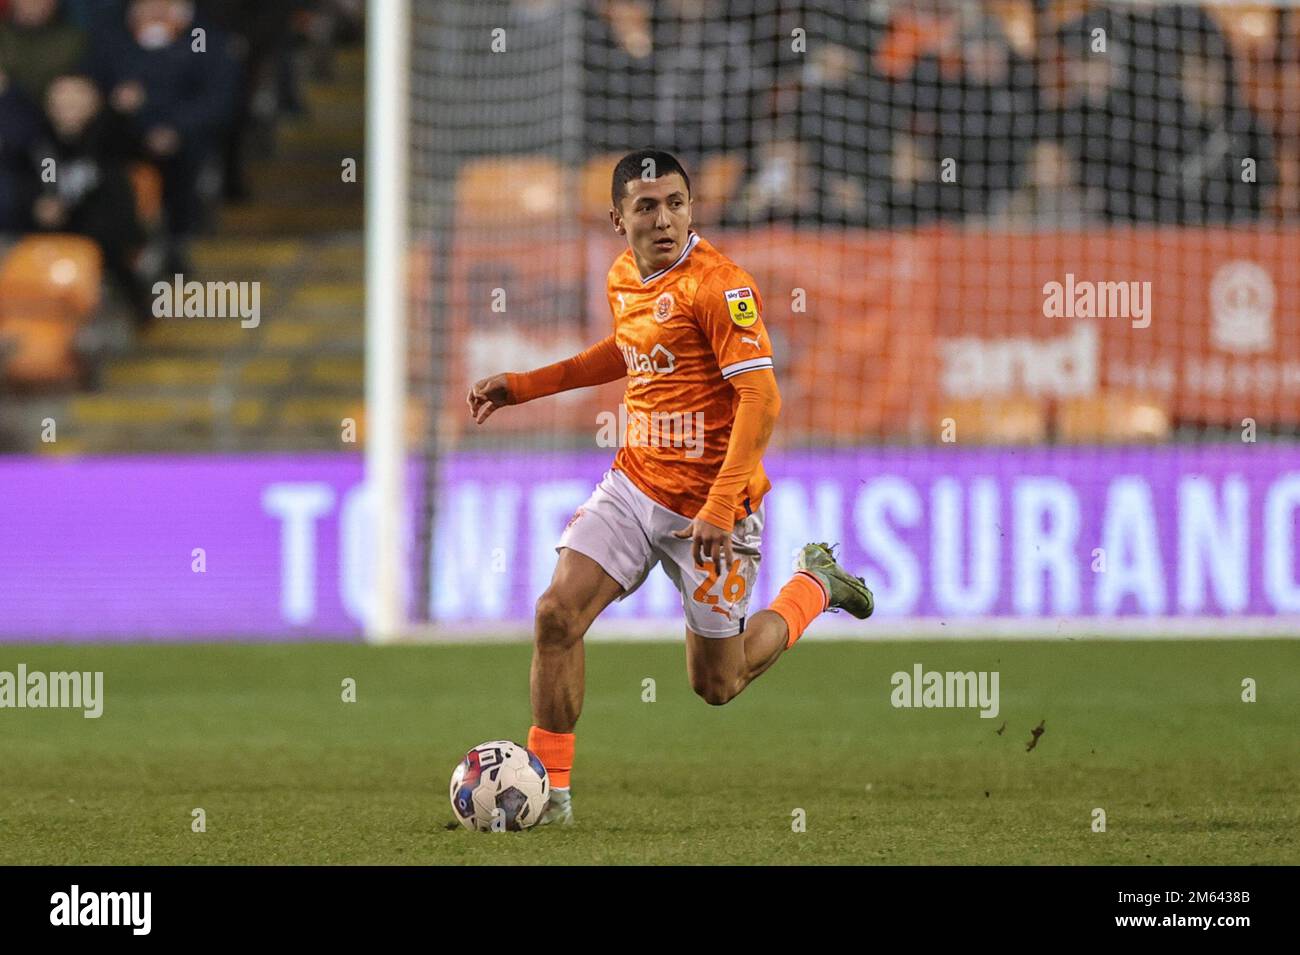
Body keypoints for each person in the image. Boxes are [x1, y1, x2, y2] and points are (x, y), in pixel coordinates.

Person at [466, 148, 874, 827]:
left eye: (676, 203)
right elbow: (624, 350)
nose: (665, 219)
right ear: (617, 218)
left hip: (716, 507)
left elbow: (762, 400)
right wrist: (523, 386)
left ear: (692, 207)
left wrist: (718, 505)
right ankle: (552, 795)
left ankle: (815, 586)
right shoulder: (624, 275)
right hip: (634, 483)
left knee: (718, 683)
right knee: (554, 615)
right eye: (647, 206)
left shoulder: (721, 286)